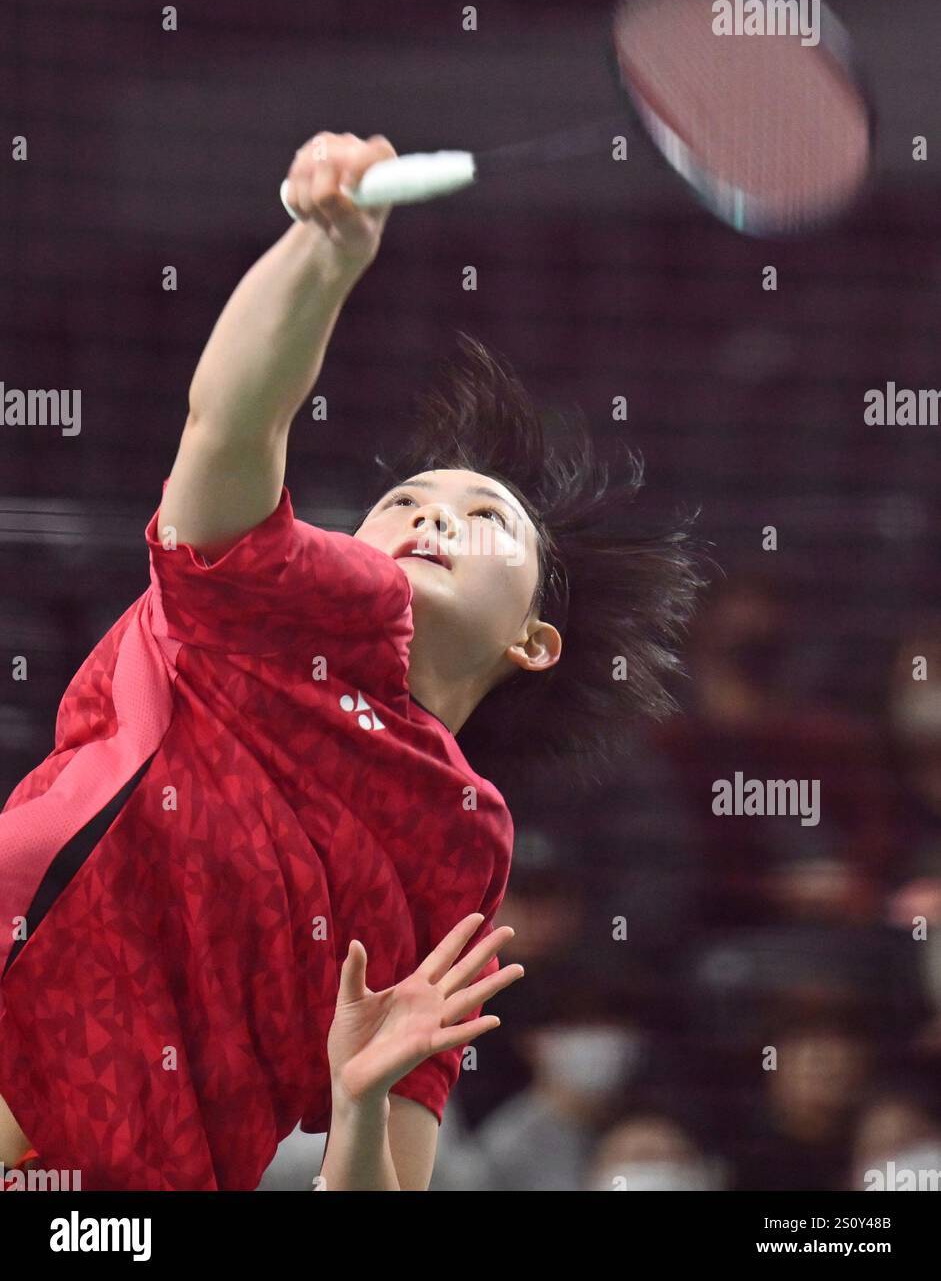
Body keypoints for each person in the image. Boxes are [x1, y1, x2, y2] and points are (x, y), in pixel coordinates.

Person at [0, 131, 703, 1190]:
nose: (432, 516)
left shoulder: (461, 839)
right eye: (406, 503)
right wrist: (319, 253)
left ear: (532, 639)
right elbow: (230, 422)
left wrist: (362, 1101)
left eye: (483, 518)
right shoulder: (266, 604)